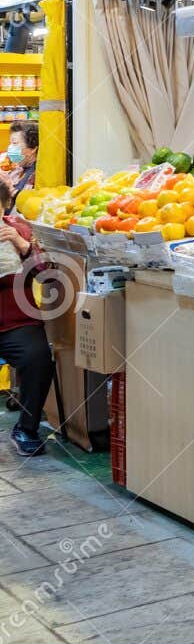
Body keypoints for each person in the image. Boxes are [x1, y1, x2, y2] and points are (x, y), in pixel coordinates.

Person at [0, 181, 54, 456]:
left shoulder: (19, 228)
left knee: (38, 357)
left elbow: (46, 273)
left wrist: (21, 245)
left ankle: (26, 428)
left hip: (15, 322)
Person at [4, 122, 36, 193]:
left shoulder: (37, 175)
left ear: (33, 148)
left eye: (14, 143)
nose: (10, 148)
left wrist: (7, 186)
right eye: (10, 143)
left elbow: (24, 201)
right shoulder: (18, 166)